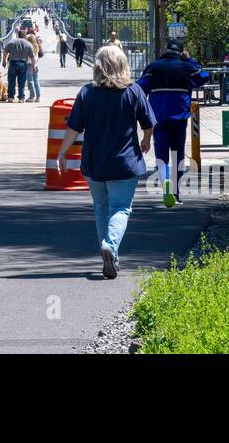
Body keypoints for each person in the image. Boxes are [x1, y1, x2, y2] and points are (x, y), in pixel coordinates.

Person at [55, 46, 156, 280]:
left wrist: (62, 153)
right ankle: (110, 245)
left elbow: (74, 127)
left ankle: (111, 256)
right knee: (121, 208)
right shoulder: (134, 91)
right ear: (123, 65)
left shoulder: (87, 93)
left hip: (95, 163)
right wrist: (146, 140)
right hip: (125, 163)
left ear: (98, 66)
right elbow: (149, 122)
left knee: (101, 207)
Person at [138, 41, 210, 206]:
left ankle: (166, 187)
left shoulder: (153, 67)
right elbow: (204, 76)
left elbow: (140, 88)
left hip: (158, 118)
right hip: (179, 118)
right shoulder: (186, 67)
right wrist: (190, 59)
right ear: (181, 52)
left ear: (165, 50)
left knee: (161, 155)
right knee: (178, 154)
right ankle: (176, 193)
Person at [3, 30, 35, 102]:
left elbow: (5, 51)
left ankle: (11, 97)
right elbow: (32, 57)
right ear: (25, 36)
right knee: (22, 82)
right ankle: (21, 98)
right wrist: (33, 66)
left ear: (18, 35)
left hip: (13, 63)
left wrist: (4, 61)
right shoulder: (28, 44)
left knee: (11, 81)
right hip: (23, 64)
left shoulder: (12, 42)